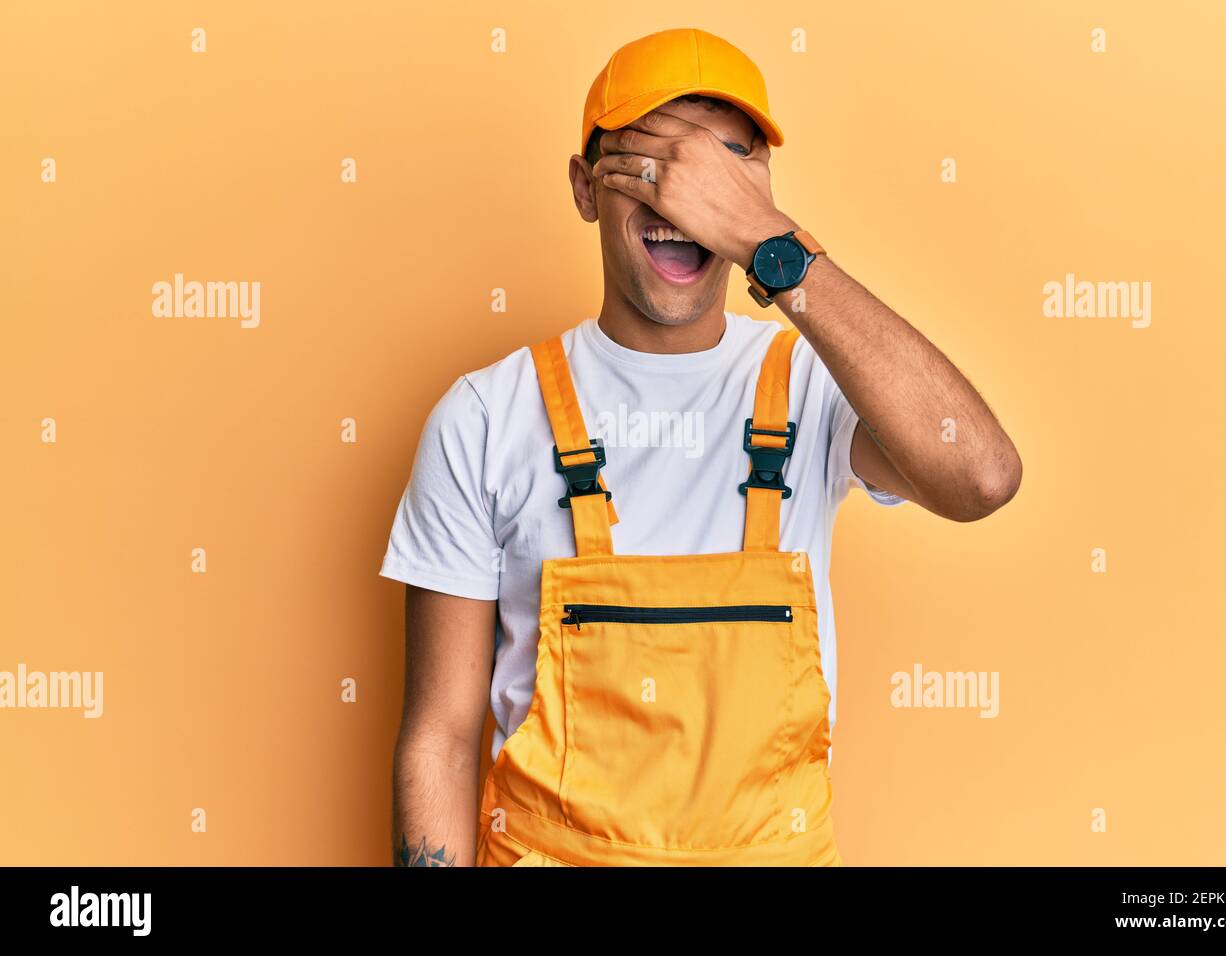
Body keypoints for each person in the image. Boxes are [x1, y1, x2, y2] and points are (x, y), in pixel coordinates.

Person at [383, 27, 1021, 867]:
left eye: (723, 165)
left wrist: (774, 247)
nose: (682, 199)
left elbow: (981, 475)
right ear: (585, 187)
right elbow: (441, 736)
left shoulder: (813, 387)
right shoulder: (486, 418)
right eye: (649, 161)